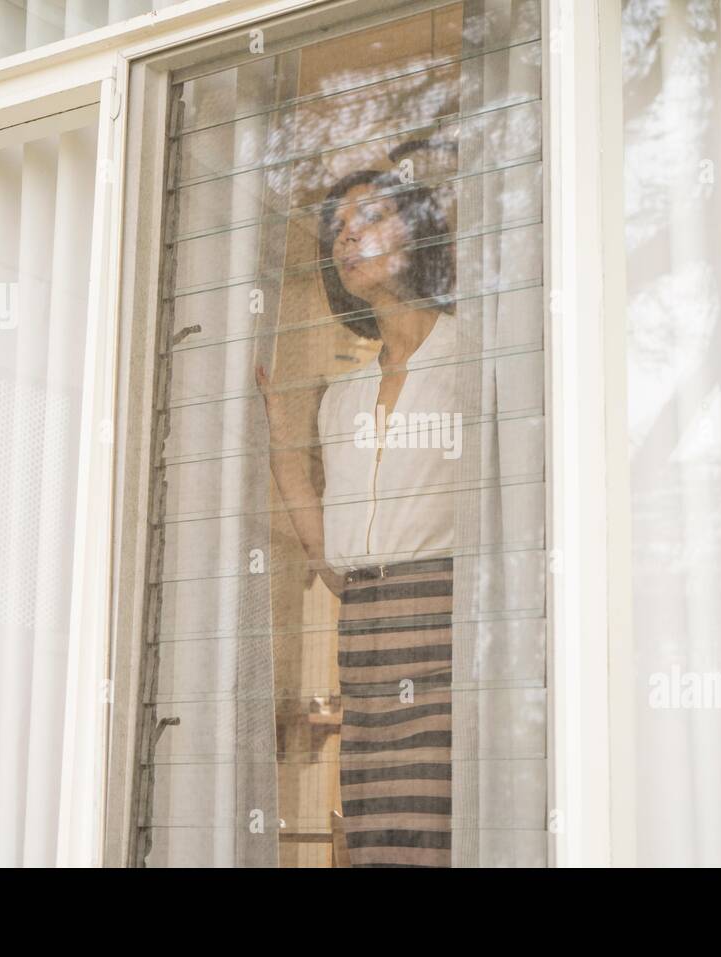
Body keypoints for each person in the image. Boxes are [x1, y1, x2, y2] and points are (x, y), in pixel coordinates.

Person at [256, 165, 458, 867]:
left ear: (420, 231)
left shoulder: (478, 354)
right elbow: (333, 565)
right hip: (364, 632)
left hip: (447, 624)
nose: (348, 237)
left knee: (444, 833)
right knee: (377, 840)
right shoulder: (342, 398)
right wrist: (285, 443)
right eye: (339, 228)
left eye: (368, 217)